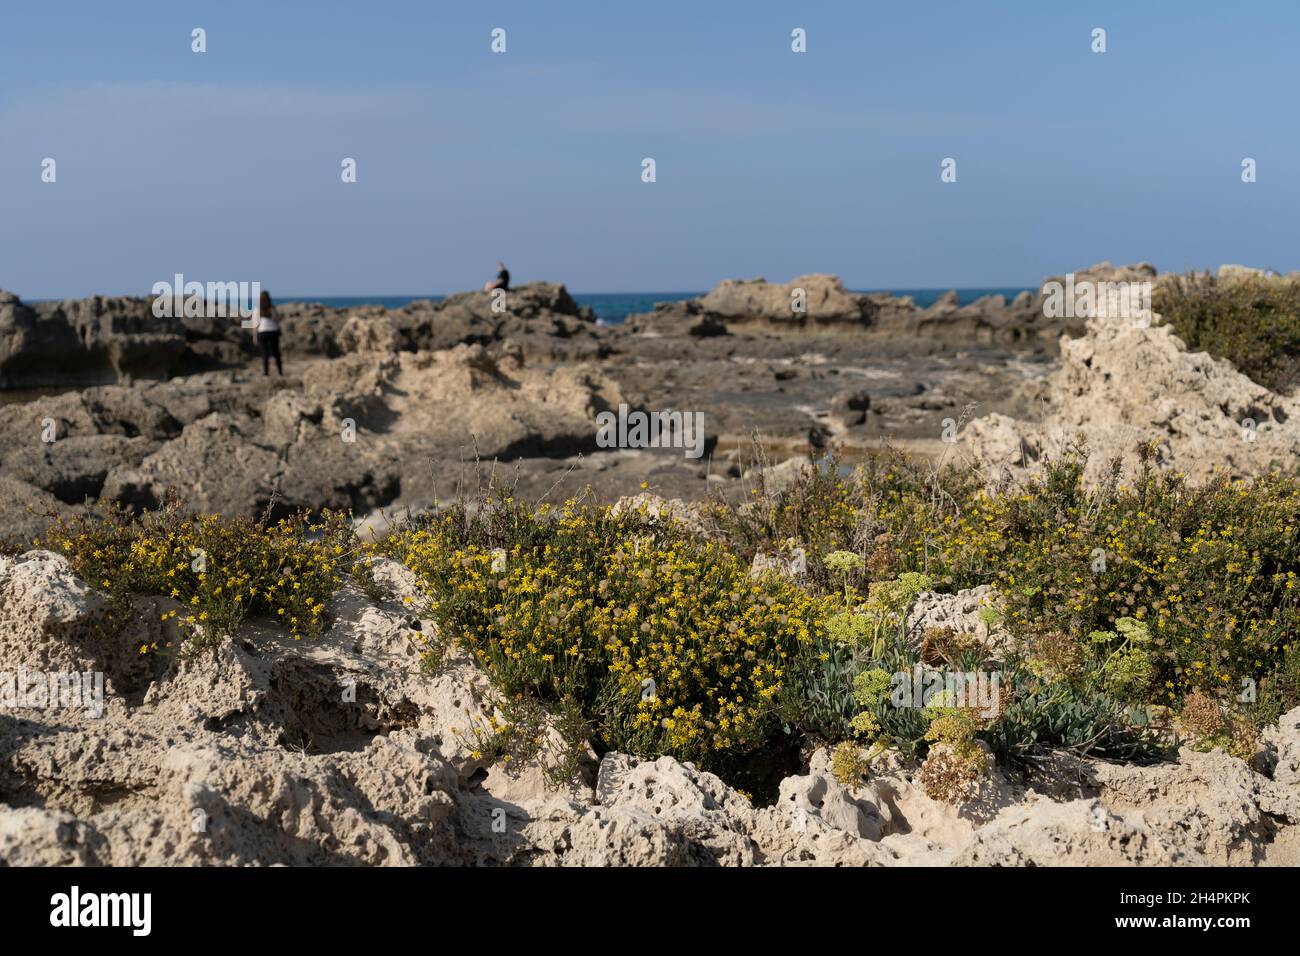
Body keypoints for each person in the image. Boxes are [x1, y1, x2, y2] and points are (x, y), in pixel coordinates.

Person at [253, 289, 283, 376]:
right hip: (273, 332)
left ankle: (266, 373)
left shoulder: (257, 309)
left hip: (263, 332)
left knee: (265, 354)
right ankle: (280, 372)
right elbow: (277, 320)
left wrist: (254, 337)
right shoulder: (272, 309)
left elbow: (255, 324)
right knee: (276, 353)